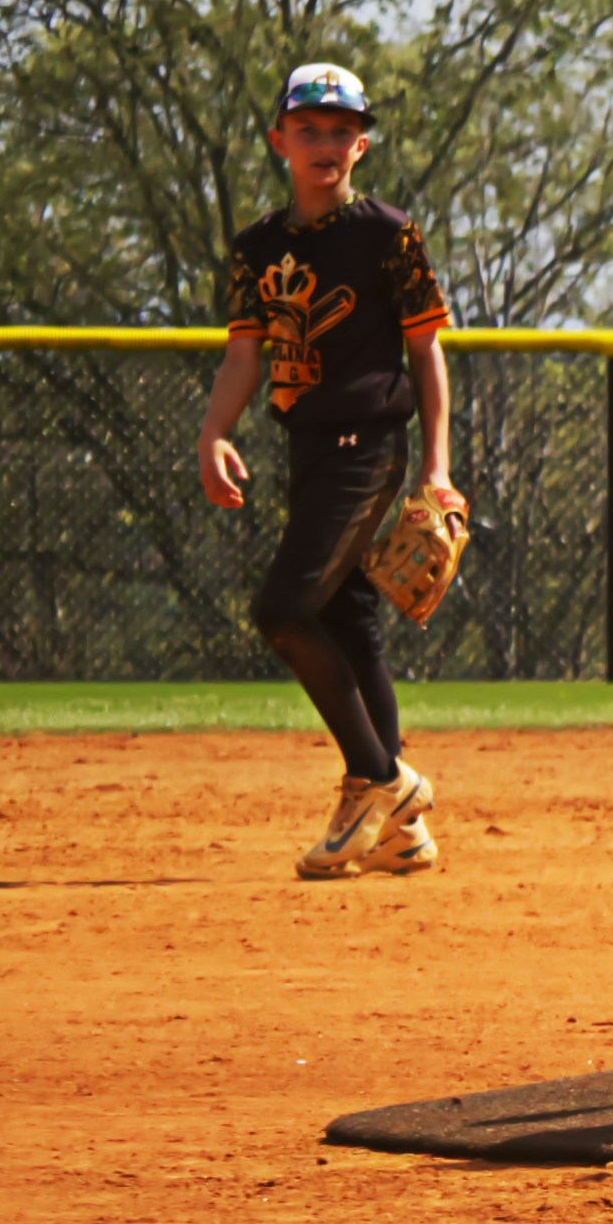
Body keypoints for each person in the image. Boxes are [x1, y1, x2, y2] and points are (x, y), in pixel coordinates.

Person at [197, 62, 465, 881]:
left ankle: (378, 780)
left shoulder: (388, 234)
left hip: (368, 444)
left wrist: (439, 467)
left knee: (282, 607)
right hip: (308, 447)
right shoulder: (258, 247)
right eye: (308, 128)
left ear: (363, 143)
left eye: (342, 129)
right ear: (279, 139)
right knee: (347, 615)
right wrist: (215, 430)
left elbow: (426, 348)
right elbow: (247, 350)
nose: (326, 142)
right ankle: (402, 833)